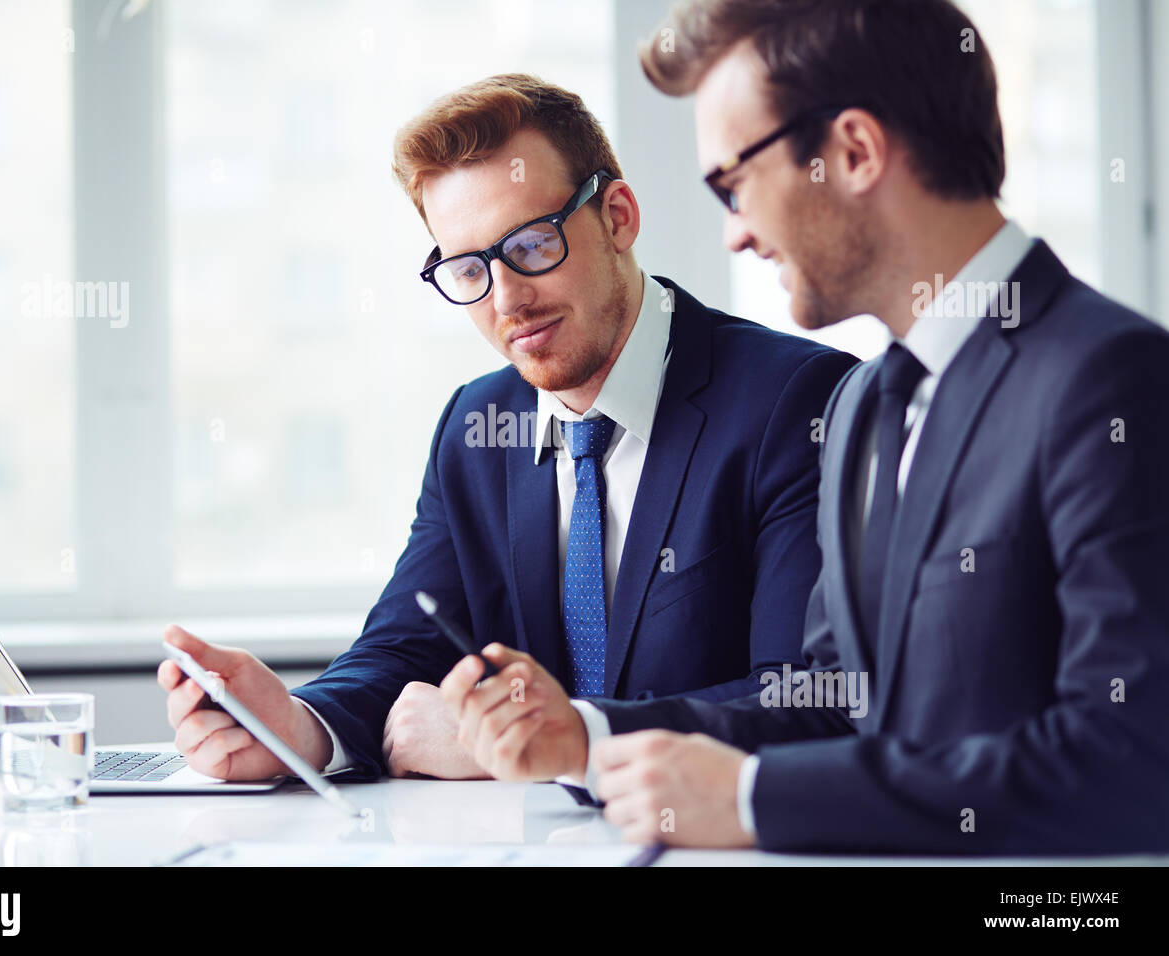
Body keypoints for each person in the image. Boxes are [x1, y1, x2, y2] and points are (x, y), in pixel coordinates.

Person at [442, 2, 1169, 854]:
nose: (736, 233)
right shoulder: (866, 409)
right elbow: (832, 700)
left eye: (733, 185)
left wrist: (753, 800)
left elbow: (1131, 761)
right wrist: (590, 742)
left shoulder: (1112, 380)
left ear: (853, 153)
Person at [158, 74, 856, 783]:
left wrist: (559, 744)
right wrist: (299, 729)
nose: (507, 300)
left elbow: (808, 699)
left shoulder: (796, 403)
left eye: (530, 246)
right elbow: (403, 649)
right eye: (468, 268)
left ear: (617, 216)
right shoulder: (476, 428)